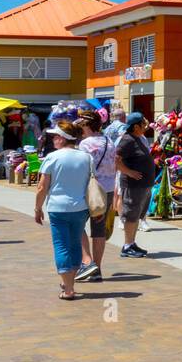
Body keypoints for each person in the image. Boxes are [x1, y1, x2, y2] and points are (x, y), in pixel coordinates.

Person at [34, 121, 92, 300]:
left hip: (58, 208)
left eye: (55, 137)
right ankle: (70, 284)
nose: (53, 140)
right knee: (75, 245)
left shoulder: (53, 157)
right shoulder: (86, 157)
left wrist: (37, 208)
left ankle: (68, 288)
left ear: (62, 138)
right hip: (81, 207)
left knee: (61, 246)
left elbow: (42, 186)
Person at [75, 113, 115, 283]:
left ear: (87, 125)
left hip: (89, 190)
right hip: (107, 190)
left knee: (77, 225)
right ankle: (97, 268)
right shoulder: (109, 141)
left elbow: (82, 168)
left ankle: (87, 262)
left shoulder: (85, 144)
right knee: (98, 231)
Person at [114, 112, 155, 258]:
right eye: (143, 123)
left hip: (141, 185)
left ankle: (131, 243)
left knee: (136, 215)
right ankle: (127, 245)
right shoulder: (127, 140)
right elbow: (116, 159)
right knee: (131, 214)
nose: (146, 126)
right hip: (133, 185)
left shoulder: (137, 138)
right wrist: (129, 172)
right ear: (136, 126)